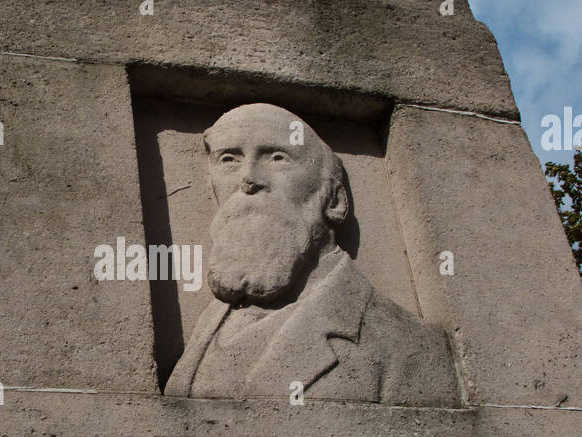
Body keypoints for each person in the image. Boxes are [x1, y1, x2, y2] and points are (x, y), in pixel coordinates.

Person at [164, 103, 461, 404]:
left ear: (334, 199)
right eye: (229, 160)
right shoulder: (210, 323)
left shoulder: (409, 346)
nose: (248, 179)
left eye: (278, 158)